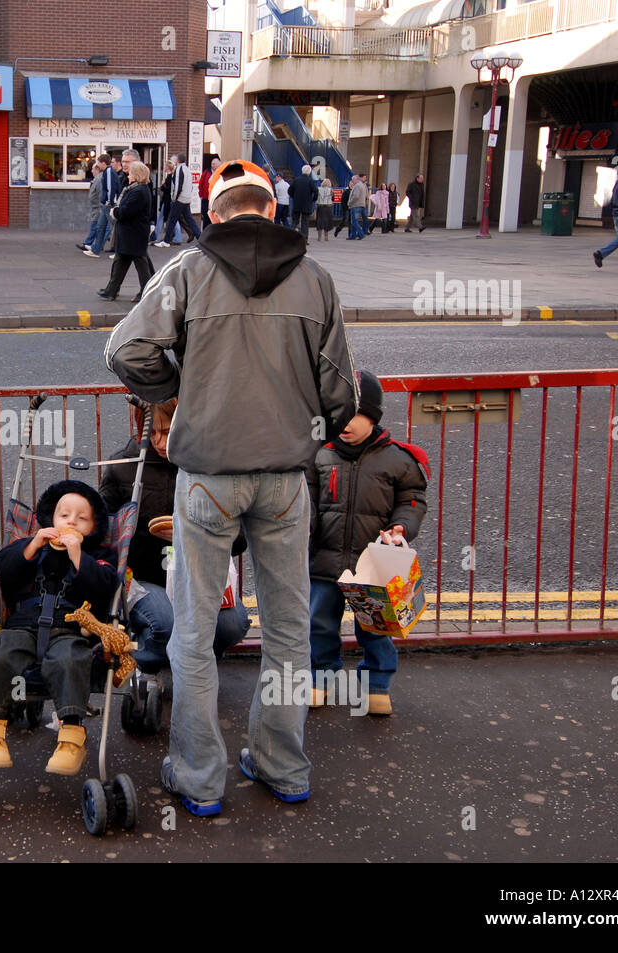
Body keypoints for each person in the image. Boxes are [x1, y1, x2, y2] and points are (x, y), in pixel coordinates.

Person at [106, 159, 357, 815]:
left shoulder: (188, 270)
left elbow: (123, 350)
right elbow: (341, 391)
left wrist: (177, 392)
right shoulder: (316, 278)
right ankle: (281, 765)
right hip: (284, 478)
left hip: (209, 475)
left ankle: (198, 778)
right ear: (272, 210)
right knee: (286, 629)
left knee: (192, 631)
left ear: (214, 214)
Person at [0, 480, 118, 776]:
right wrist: (32, 545)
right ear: (52, 519)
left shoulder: (99, 558)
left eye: (81, 518)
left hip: (69, 629)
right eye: (64, 515)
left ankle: (71, 737)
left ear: (93, 527)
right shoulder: (31, 546)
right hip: (23, 625)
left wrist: (79, 556)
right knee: (1, 651)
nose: (71, 522)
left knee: (71, 659)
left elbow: (105, 588)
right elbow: (4, 570)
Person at [307, 370, 427, 717]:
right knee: (320, 624)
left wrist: (402, 527)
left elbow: (412, 499)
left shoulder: (399, 459)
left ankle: (377, 687)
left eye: (354, 412)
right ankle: (320, 679)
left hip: (373, 568)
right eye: (336, 411)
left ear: (373, 415)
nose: (343, 421)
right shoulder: (318, 454)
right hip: (324, 563)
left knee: (376, 629)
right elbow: (308, 502)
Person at [99, 398, 250, 672]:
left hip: (199, 574)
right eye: (151, 432)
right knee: (164, 623)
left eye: (168, 432)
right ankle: (148, 666)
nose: (158, 441)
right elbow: (103, 531)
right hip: (143, 576)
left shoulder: (212, 466)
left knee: (232, 623)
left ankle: (200, 664)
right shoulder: (123, 465)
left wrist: (200, 534)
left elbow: (240, 540)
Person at [97, 161, 155, 303]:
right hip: (131, 233)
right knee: (121, 261)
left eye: (130, 173)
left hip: (134, 233)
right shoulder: (137, 189)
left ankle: (146, 292)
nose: (128, 175)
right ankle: (111, 290)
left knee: (141, 265)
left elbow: (125, 211)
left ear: (136, 175)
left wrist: (115, 211)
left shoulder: (139, 192)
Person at [82, 155, 120, 258]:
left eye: (99, 163)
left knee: (114, 227)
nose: (97, 166)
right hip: (106, 204)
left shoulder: (108, 172)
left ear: (104, 163)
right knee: (100, 227)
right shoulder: (108, 172)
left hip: (108, 204)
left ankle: (119, 251)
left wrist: (109, 201)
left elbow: (110, 188)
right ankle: (95, 250)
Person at [163, 153, 201, 245]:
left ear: (177, 161)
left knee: (172, 219)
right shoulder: (187, 169)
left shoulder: (179, 169)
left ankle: (166, 241)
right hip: (186, 199)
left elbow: (177, 186)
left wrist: (174, 198)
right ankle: (200, 237)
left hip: (179, 199)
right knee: (189, 219)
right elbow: (190, 185)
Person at [77, 156, 106, 256]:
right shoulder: (97, 179)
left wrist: (100, 205)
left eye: (93, 169)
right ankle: (96, 244)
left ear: (97, 169)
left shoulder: (99, 179)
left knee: (98, 226)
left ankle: (89, 243)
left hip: (98, 208)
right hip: (96, 207)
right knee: (100, 227)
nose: (92, 171)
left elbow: (100, 193)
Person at [290, 164, 317, 238]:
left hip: (297, 203)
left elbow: (290, 190)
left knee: (295, 221)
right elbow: (316, 191)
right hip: (306, 204)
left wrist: (294, 197)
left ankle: (290, 237)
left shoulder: (296, 180)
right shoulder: (310, 181)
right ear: (309, 172)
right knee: (305, 222)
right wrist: (312, 199)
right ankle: (304, 238)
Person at [347, 174, 369, 240]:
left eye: (352, 179)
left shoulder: (357, 186)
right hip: (361, 204)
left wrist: (350, 202)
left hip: (356, 205)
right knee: (355, 221)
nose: (352, 181)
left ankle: (361, 234)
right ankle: (353, 235)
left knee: (354, 221)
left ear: (356, 179)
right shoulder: (362, 185)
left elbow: (356, 196)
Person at [316, 176, 335, 242]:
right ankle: (326, 237)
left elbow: (315, 197)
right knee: (327, 222)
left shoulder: (318, 189)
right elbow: (333, 199)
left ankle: (319, 237)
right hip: (328, 207)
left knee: (319, 221)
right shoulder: (331, 190)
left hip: (320, 206)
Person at [199, 157, 218, 223]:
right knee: (205, 215)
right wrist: (201, 194)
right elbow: (201, 183)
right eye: (212, 164)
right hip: (206, 198)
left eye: (214, 164)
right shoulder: (207, 172)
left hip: (214, 199)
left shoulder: (219, 173)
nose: (212, 165)